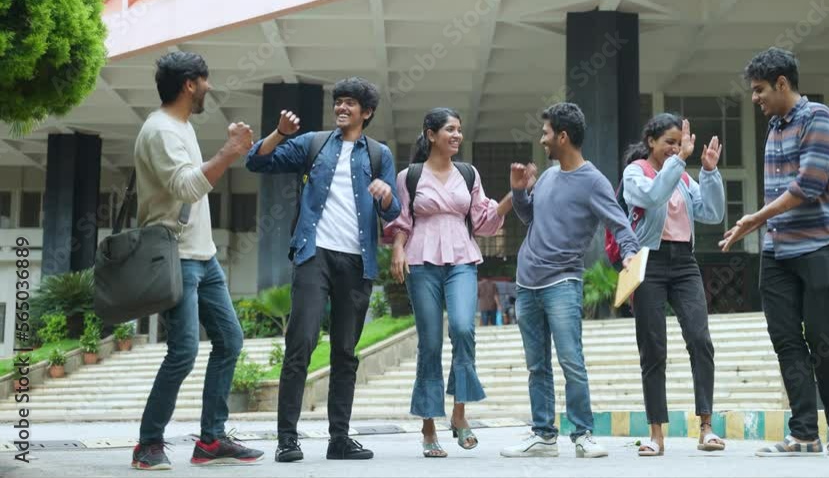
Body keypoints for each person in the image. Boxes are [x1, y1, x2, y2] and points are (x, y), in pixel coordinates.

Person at [245, 77, 401, 463]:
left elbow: (395, 213)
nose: (341, 108)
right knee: (301, 344)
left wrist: (386, 197)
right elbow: (257, 161)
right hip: (314, 255)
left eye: (350, 103)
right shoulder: (313, 143)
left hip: (357, 262)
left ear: (367, 112)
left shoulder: (379, 154)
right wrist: (279, 134)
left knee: (346, 352)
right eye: (339, 102)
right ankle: (287, 438)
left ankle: (339, 439)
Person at [719, 47, 829, 457]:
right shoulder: (775, 128)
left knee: (822, 337)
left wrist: (753, 220)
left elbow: (809, 186)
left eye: (760, 90)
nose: (755, 98)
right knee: (785, 340)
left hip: (821, 245)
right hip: (777, 251)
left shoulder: (819, 119)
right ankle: (803, 433)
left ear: (782, 83)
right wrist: (763, 227)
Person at [131, 51, 264, 470]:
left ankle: (211, 440)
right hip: (176, 257)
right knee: (184, 351)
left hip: (203, 257)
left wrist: (228, 152)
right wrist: (228, 152)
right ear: (190, 84)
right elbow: (188, 187)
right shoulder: (160, 131)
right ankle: (148, 443)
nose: (209, 87)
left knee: (230, 340)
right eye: (205, 81)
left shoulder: (181, 126)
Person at [500, 102, 640, 459]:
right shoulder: (547, 176)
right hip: (527, 283)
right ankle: (544, 435)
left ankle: (582, 433)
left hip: (563, 282)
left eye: (546, 133)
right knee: (537, 365)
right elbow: (530, 216)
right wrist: (518, 192)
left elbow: (620, 224)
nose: (542, 139)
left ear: (563, 136)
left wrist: (630, 257)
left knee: (570, 359)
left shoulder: (593, 180)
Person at [384, 107, 513, 458]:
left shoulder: (468, 174)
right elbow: (401, 220)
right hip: (420, 261)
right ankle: (428, 427)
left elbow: (485, 221)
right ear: (430, 135)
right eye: (449, 130)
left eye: (459, 130)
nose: (456, 135)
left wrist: (512, 196)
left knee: (462, 328)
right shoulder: (409, 175)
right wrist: (397, 249)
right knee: (430, 342)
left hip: (461, 260)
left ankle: (459, 414)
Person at [620, 114, 726, 456]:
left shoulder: (682, 177)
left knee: (700, 339)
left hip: (684, 263)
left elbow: (712, 212)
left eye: (679, 143)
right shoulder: (635, 172)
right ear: (651, 141)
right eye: (669, 141)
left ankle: (706, 427)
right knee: (652, 348)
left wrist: (708, 172)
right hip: (648, 262)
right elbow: (651, 197)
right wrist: (679, 162)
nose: (676, 148)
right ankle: (656, 433)